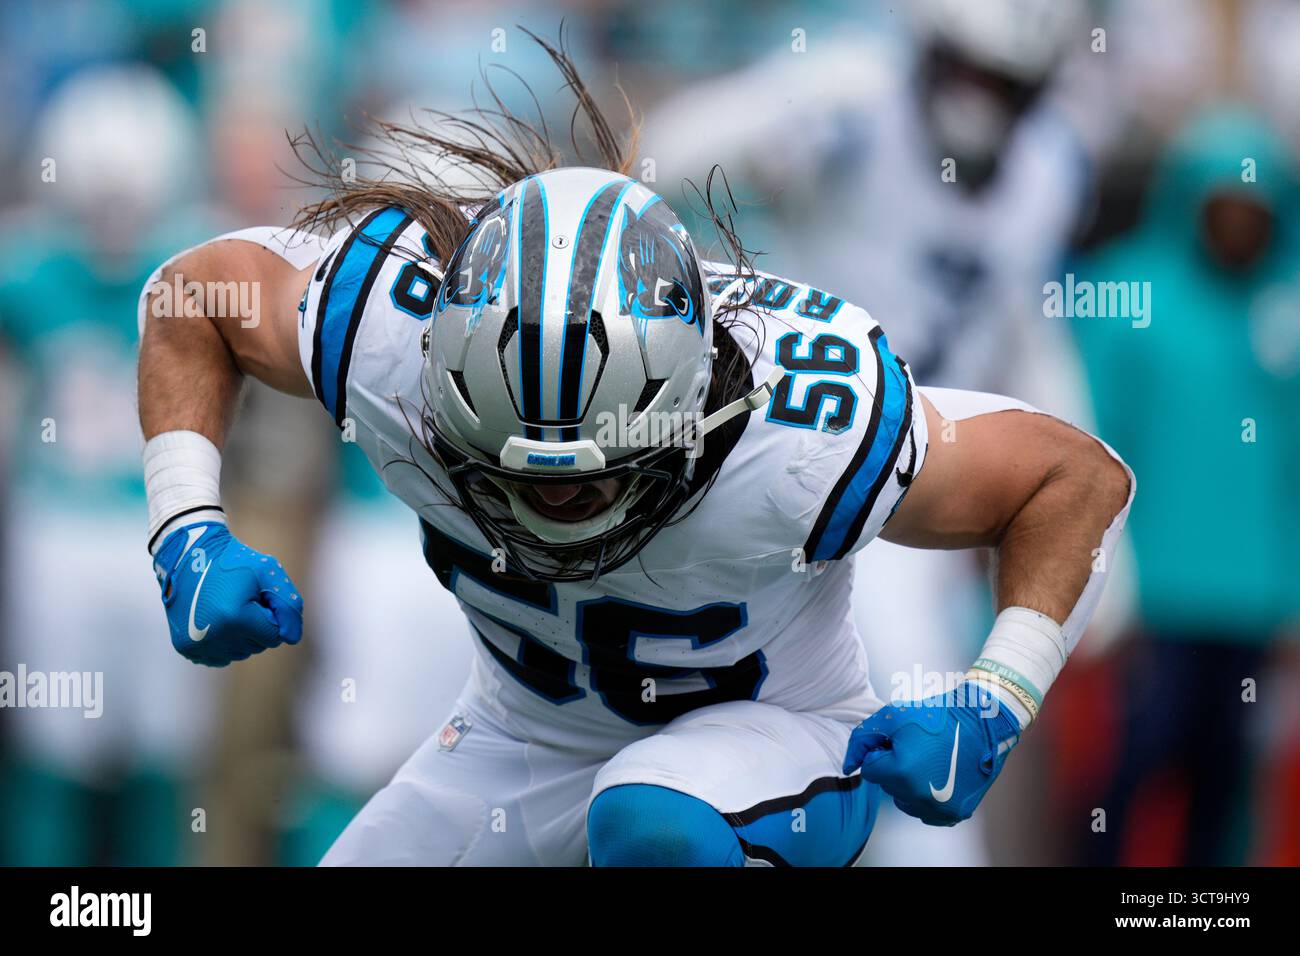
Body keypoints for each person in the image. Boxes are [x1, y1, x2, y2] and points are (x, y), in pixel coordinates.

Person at [135, 40, 1133, 866]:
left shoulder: (801, 425)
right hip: (519, 733)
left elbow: (1072, 476)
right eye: (512, 476)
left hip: (771, 736)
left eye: (595, 479)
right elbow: (191, 297)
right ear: (441, 377)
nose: (553, 512)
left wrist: (994, 698)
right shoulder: (387, 336)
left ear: (691, 408)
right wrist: (185, 529)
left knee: (650, 821)